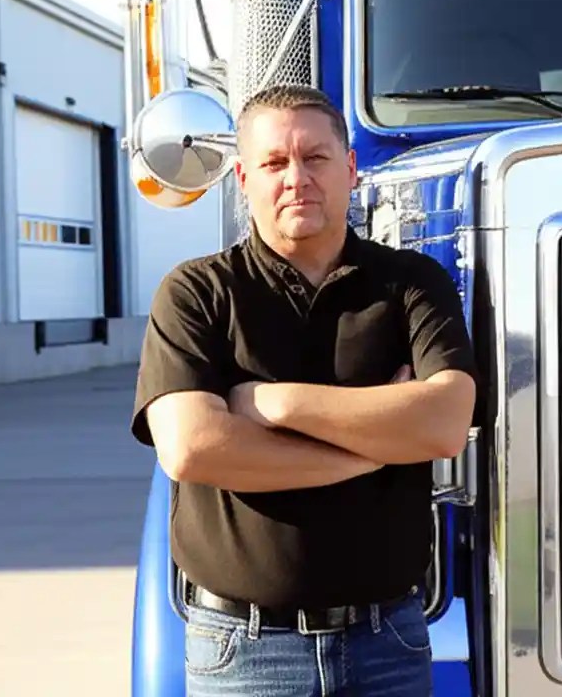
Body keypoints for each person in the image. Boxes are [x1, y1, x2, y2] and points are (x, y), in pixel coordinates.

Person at [130, 84, 478, 696]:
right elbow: (192, 448)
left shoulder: (412, 284)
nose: (297, 178)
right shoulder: (196, 293)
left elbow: (445, 423)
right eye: (274, 163)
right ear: (244, 178)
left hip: (389, 643)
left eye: (316, 158)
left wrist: (273, 402)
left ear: (350, 168)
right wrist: (376, 448)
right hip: (245, 653)